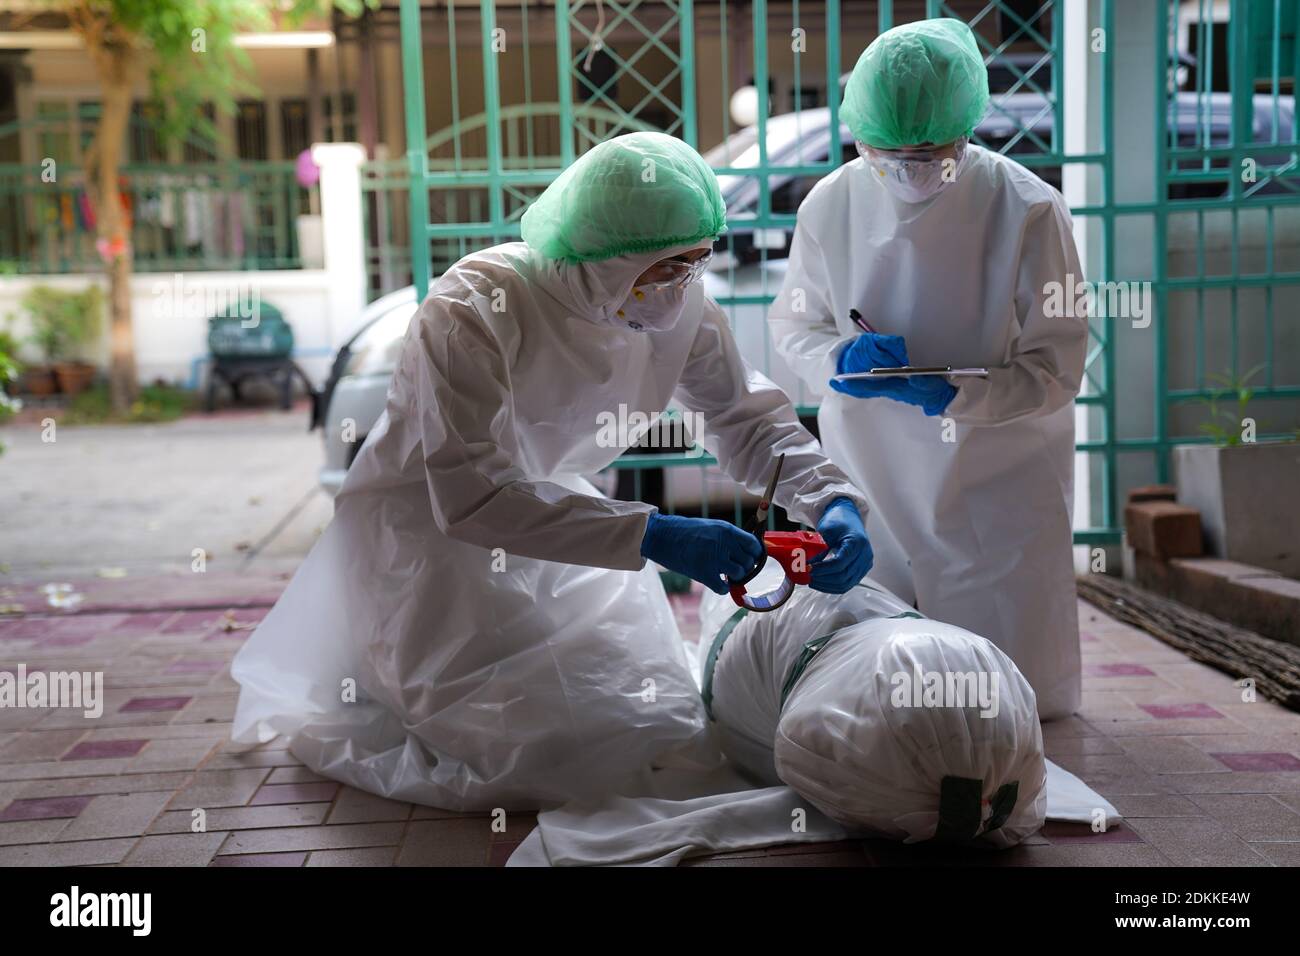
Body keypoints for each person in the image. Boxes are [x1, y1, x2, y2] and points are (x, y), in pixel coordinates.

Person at [231, 131, 873, 811]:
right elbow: (472, 494)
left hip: (560, 524)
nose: (681, 285)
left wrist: (830, 499)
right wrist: (655, 535)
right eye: (665, 267)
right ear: (604, 252)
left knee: (647, 725)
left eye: (697, 261)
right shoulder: (476, 306)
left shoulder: (683, 310)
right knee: (531, 753)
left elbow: (745, 417)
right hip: (423, 540)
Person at [768, 18, 1087, 720]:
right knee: (880, 698)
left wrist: (958, 393)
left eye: (930, 152)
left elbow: (1059, 368)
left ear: (966, 128)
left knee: (1009, 702)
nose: (910, 168)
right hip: (872, 467)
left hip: (999, 477)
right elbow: (794, 325)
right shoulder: (832, 202)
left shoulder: (1028, 209)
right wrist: (836, 358)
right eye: (889, 152)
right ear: (859, 136)